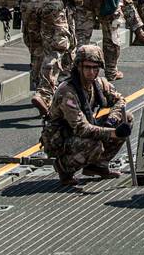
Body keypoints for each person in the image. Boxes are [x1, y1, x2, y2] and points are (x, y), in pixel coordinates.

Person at [36, 44, 132, 186]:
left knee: (127, 118)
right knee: (94, 145)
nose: (91, 72)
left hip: (82, 130)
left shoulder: (98, 84)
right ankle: (64, 168)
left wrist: (111, 121)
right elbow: (82, 128)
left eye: (95, 68)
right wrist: (113, 132)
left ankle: (98, 165)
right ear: (78, 67)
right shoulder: (67, 92)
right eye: (87, 67)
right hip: (62, 138)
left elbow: (120, 101)